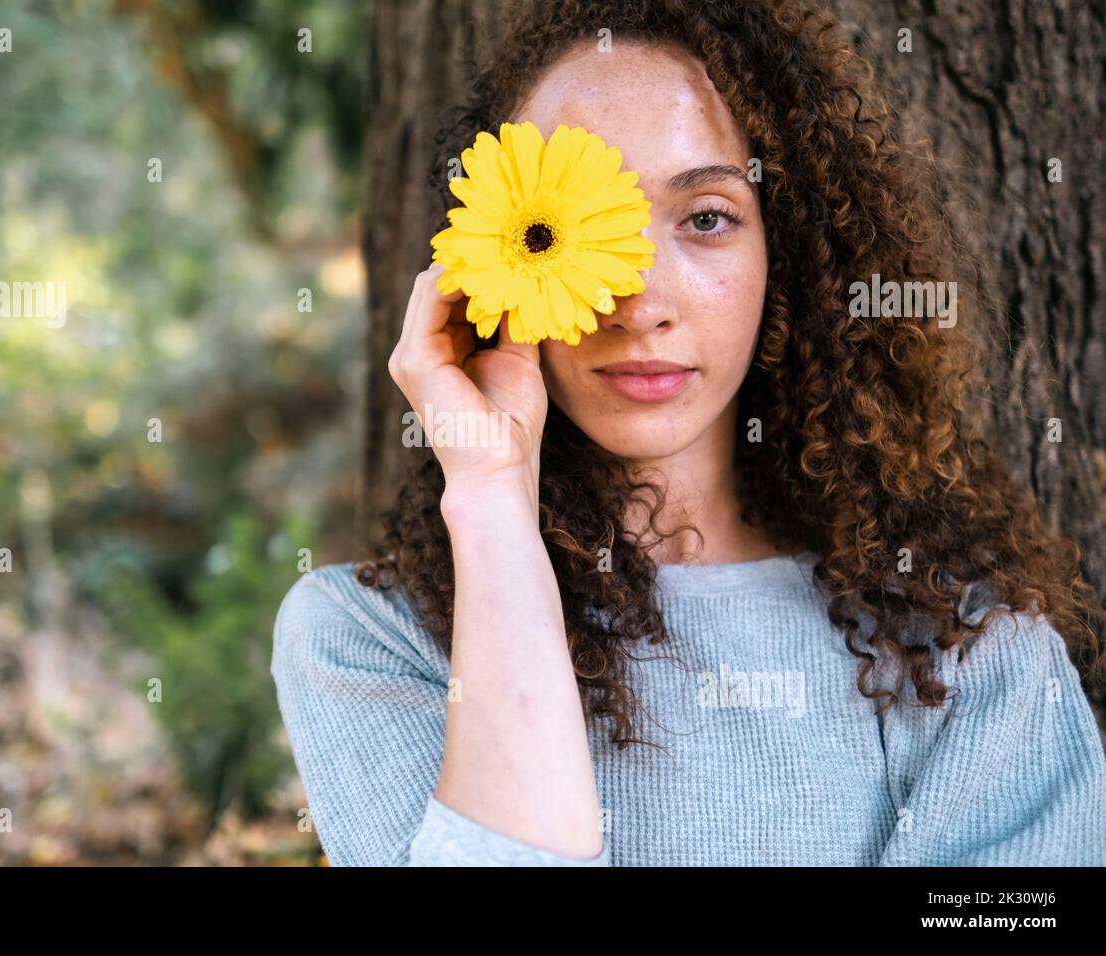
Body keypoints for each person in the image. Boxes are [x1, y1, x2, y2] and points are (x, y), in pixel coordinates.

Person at [271, 0, 1106, 866]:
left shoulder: (968, 647)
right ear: (493, 259)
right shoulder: (366, 637)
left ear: (788, 252)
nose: (638, 303)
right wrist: (488, 496)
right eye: (563, 229)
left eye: (706, 217)